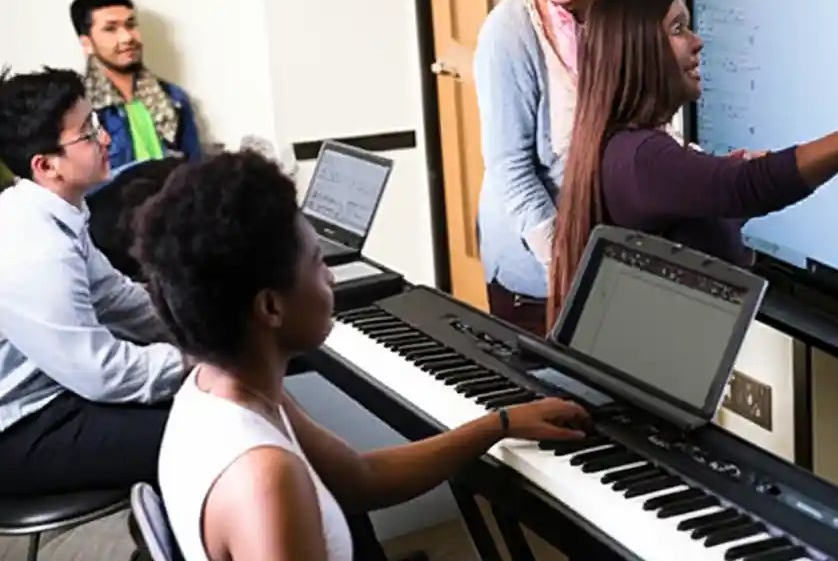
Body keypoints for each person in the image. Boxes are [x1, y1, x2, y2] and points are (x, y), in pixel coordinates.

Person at [135, 150, 591, 561]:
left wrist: (499, 424)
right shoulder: (265, 479)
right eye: (317, 262)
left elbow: (361, 480)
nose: (331, 278)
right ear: (270, 307)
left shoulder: (215, 387)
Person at [547, 0, 838, 320]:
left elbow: (718, 198)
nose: (697, 42)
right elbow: (748, 187)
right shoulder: (641, 159)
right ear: (637, 50)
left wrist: (720, 180)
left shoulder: (626, 149)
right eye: (677, 29)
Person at [0, 67, 186, 495]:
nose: (105, 139)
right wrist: (198, 361)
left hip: (59, 389)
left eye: (96, 124)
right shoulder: (35, 248)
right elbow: (101, 373)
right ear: (46, 165)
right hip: (22, 429)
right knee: (213, 441)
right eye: (88, 134)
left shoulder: (59, 214)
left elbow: (119, 298)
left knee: (220, 409)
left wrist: (202, 327)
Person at [474, 0, 620, 335]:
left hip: (615, 262)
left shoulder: (634, 10)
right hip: (539, 276)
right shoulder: (509, 32)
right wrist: (573, 270)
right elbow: (510, 170)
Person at [71, 0, 203, 171]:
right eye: (111, 29)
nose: (127, 37)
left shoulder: (173, 98)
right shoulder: (80, 110)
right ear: (87, 43)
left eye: (130, 25)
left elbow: (195, 168)